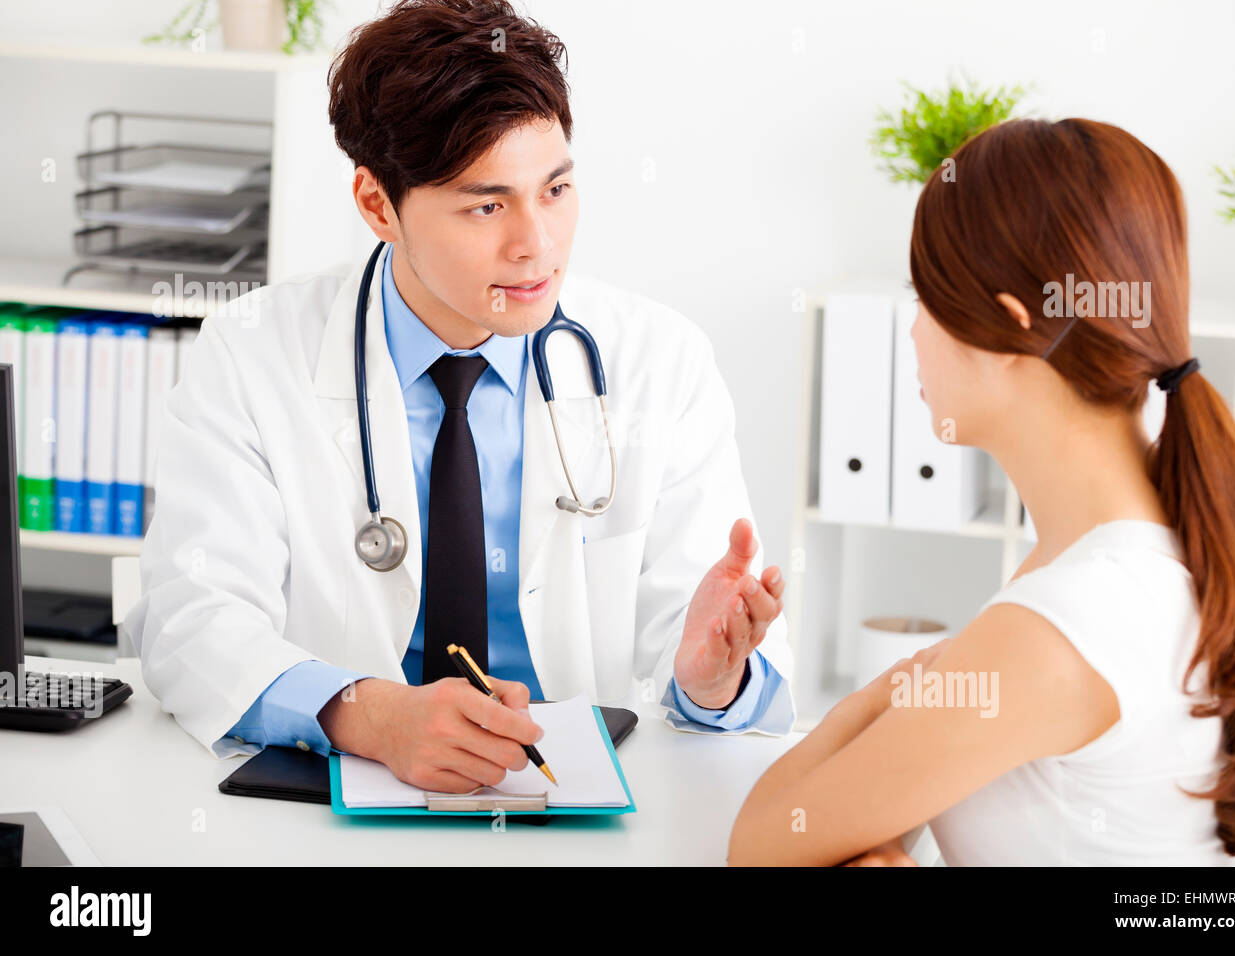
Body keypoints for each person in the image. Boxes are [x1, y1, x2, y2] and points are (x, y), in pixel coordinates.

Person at [125, 0, 794, 794]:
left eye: (555, 189)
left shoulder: (661, 362)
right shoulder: (252, 352)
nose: (535, 244)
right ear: (378, 205)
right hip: (337, 801)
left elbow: (703, 662)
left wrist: (709, 680)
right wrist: (369, 715)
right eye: (487, 205)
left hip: (578, 812)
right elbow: (191, 620)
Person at [729, 117, 1235, 865]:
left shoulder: (1062, 625)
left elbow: (760, 844)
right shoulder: (1143, 548)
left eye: (925, 297)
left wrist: (890, 692)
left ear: (1008, 331)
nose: (913, 333)